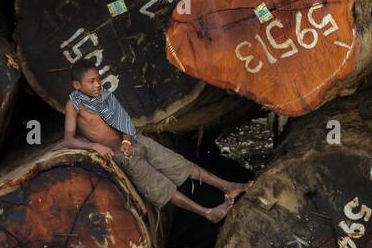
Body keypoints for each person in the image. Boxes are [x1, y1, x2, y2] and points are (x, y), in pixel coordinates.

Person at [61, 62, 245, 222]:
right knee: (162, 188)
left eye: (98, 78)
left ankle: (229, 186)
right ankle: (207, 213)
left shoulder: (105, 95)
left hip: (135, 142)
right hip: (122, 157)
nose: (97, 84)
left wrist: (126, 141)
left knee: (181, 165)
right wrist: (94, 146)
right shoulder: (75, 106)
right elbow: (69, 140)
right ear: (77, 85)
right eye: (91, 81)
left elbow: (123, 122)